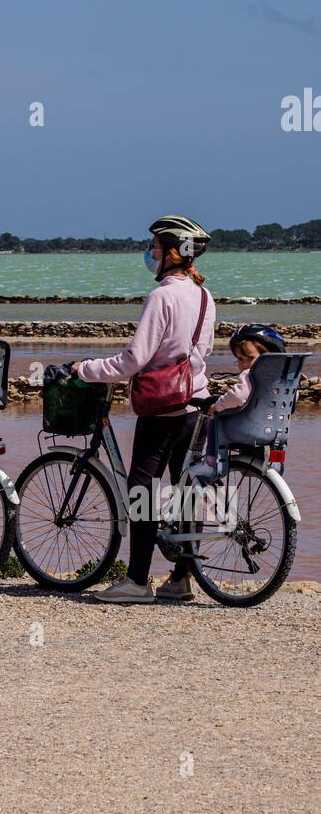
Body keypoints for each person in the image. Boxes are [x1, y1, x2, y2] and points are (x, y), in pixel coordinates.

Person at [71, 215, 216, 604]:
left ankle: (136, 580)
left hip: (162, 409)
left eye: (154, 246)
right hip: (195, 404)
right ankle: (182, 577)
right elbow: (202, 355)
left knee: (143, 491)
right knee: (186, 490)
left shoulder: (161, 297)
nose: (149, 253)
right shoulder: (204, 295)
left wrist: (85, 369)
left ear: (173, 252)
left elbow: (133, 360)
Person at [195, 324, 285, 477]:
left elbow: (237, 396)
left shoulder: (249, 374)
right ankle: (277, 462)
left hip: (249, 428)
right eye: (240, 359)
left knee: (214, 421)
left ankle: (210, 463)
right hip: (276, 427)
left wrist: (217, 406)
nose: (244, 364)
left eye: (250, 358)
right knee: (279, 441)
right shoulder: (278, 378)